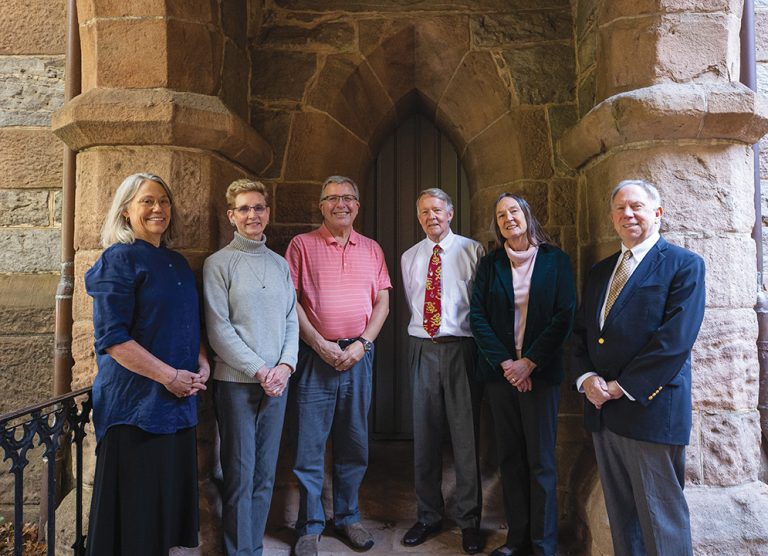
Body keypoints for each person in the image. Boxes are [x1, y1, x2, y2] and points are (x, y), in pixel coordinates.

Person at [572, 179, 705, 556]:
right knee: (623, 520)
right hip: (602, 413)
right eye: (619, 208)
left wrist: (618, 387)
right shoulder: (601, 272)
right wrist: (587, 379)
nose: (627, 214)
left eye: (637, 207)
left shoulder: (683, 265)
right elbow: (582, 333)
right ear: (612, 218)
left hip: (650, 411)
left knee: (661, 523)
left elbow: (674, 341)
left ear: (657, 213)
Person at [84, 172, 210, 556]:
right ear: (126, 211)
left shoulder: (176, 261)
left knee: (161, 516)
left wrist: (202, 361)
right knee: (134, 519)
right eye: (147, 201)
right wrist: (169, 376)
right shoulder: (118, 260)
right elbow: (114, 340)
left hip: (177, 405)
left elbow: (187, 324)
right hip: (135, 408)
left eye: (164, 201)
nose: (158, 209)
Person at [285, 175, 391, 556]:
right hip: (317, 357)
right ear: (321, 205)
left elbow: (383, 303)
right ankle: (310, 525)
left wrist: (363, 344)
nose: (340, 204)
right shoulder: (301, 246)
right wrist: (318, 342)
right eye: (332, 199)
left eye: (348, 198)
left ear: (357, 207)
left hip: (359, 357)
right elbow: (291, 301)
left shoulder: (372, 249)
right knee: (310, 446)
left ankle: (348, 517)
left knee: (354, 442)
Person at [470, 193, 576, 556]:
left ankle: (542, 544)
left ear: (527, 215)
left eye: (513, 211)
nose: (508, 218)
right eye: (500, 215)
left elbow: (564, 315)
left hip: (541, 376)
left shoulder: (555, 261)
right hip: (501, 378)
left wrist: (529, 362)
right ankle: (516, 540)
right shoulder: (491, 264)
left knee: (541, 461)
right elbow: (478, 318)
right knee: (511, 458)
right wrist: (508, 365)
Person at [203, 179, 299, 556]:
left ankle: (252, 547)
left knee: (264, 475)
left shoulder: (279, 265)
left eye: (258, 207)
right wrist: (261, 369)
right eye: (244, 209)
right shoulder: (218, 264)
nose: (252, 215)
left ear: (267, 213)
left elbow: (292, 319)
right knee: (240, 475)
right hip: (237, 383)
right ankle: (240, 551)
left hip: (278, 383)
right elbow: (218, 329)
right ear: (232, 216)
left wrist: (286, 366)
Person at [400, 188, 484, 554]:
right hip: (422, 349)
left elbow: (479, 305)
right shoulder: (409, 257)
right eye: (423, 212)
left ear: (450, 212)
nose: (430, 216)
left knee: (466, 439)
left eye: (436, 209)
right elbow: (413, 304)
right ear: (418, 217)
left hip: (460, 349)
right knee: (426, 436)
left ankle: (469, 521)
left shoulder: (472, 250)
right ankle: (428, 515)